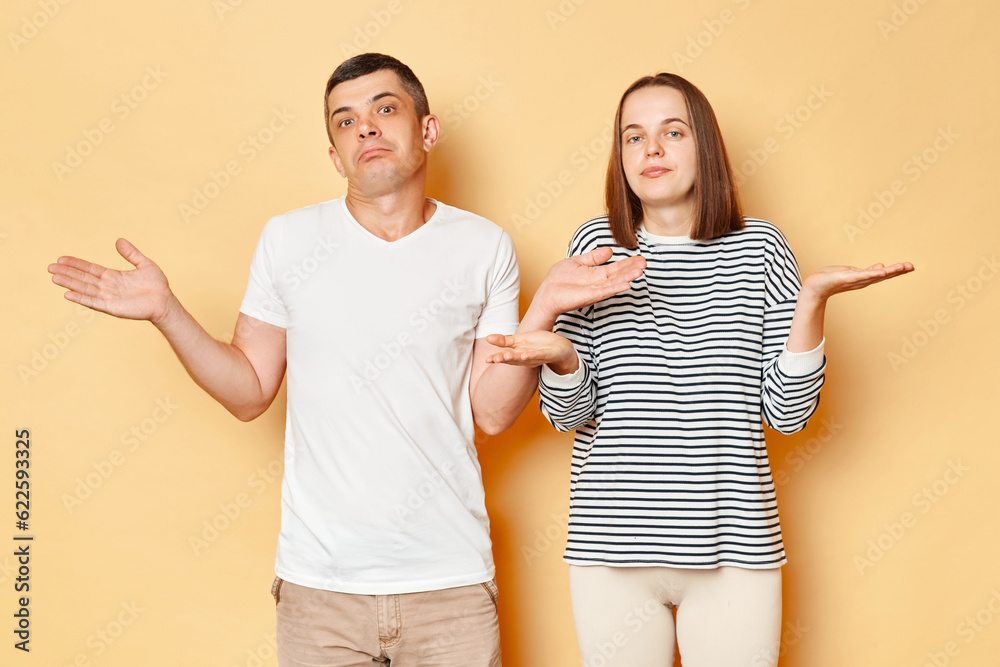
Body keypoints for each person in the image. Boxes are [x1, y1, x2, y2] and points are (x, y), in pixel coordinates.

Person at [48, 53, 644, 667]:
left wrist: (542, 308)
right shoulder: (289, 241)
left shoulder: (482, 245)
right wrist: (167, 311)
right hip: (319, 593)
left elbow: (491, 414)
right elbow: (250, 389)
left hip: (450, 587)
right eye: (345, 120)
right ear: (335, 155)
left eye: (386, 109)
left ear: (427, 130)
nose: (366, 127)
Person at [485, 72, 913, 666]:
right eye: (633, 137)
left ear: (704, 147)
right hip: (611, 550)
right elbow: (570, 416)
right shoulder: (595, 248)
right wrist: (561, 357)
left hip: (735, 549)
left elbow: (788, 416)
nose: (651, 149)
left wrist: (810, 304)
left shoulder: (760, 248)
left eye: (672, 132)